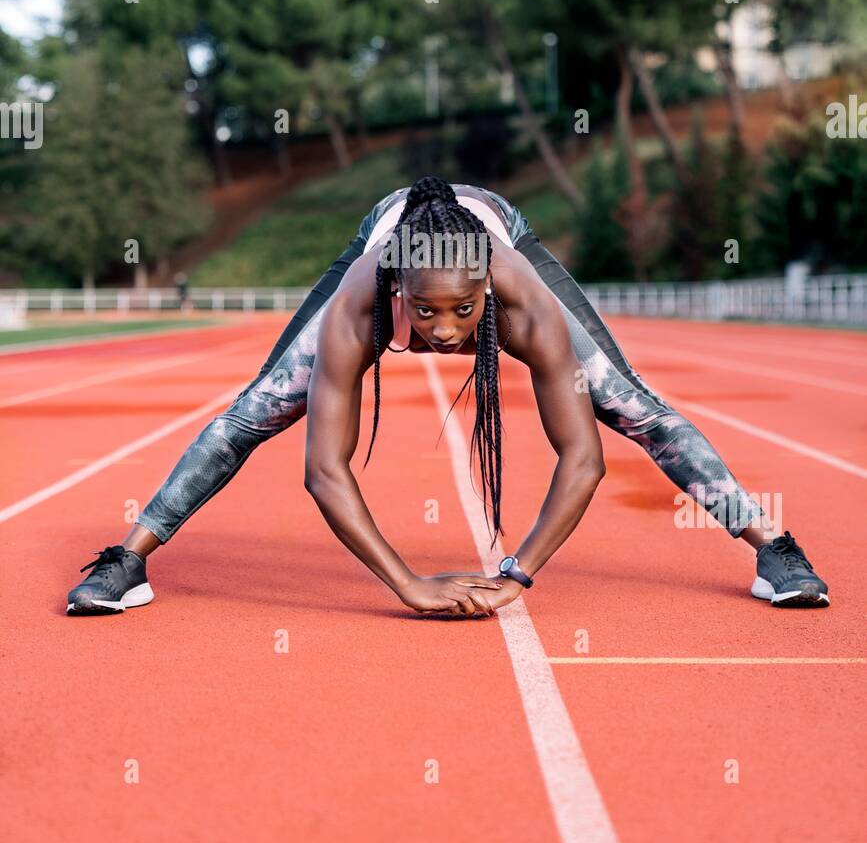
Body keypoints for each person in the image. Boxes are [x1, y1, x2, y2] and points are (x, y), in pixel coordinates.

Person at [67, 176, 830, 618]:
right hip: (387, 225)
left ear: (487, 290)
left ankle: (774, 552)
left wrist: (516, 572)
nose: (440, 333)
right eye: (423, 312)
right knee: (257, 408)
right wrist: (407, 584)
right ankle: (126, 562)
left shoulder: (523, 298)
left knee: (634, 406)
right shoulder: (360, 300)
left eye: (463, 313)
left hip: (497, 224)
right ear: (396, 288)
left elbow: (582, 458)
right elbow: (324, 469)